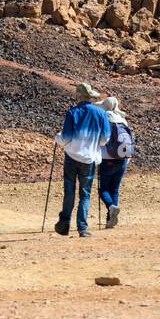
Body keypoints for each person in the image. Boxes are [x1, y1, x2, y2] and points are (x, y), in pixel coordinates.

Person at [54, 82, 110, 238]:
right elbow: (105, 139)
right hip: (89, 159)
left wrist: (57, 138)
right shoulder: (101, 114)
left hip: (71, 157)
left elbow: (66, 138)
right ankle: (82, 228)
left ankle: (64, 224)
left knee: (69, 191)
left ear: (78, 96)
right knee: (85, 194)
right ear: (90, 97)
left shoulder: (72, 112)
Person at [98, 96, 135, 228]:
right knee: (114, 189)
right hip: (122, 159)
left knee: (103, 190)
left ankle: (111, 207)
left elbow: (101, 139)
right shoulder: (123, 121)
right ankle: (111, 218)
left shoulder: (104, 119)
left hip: (106, 159)